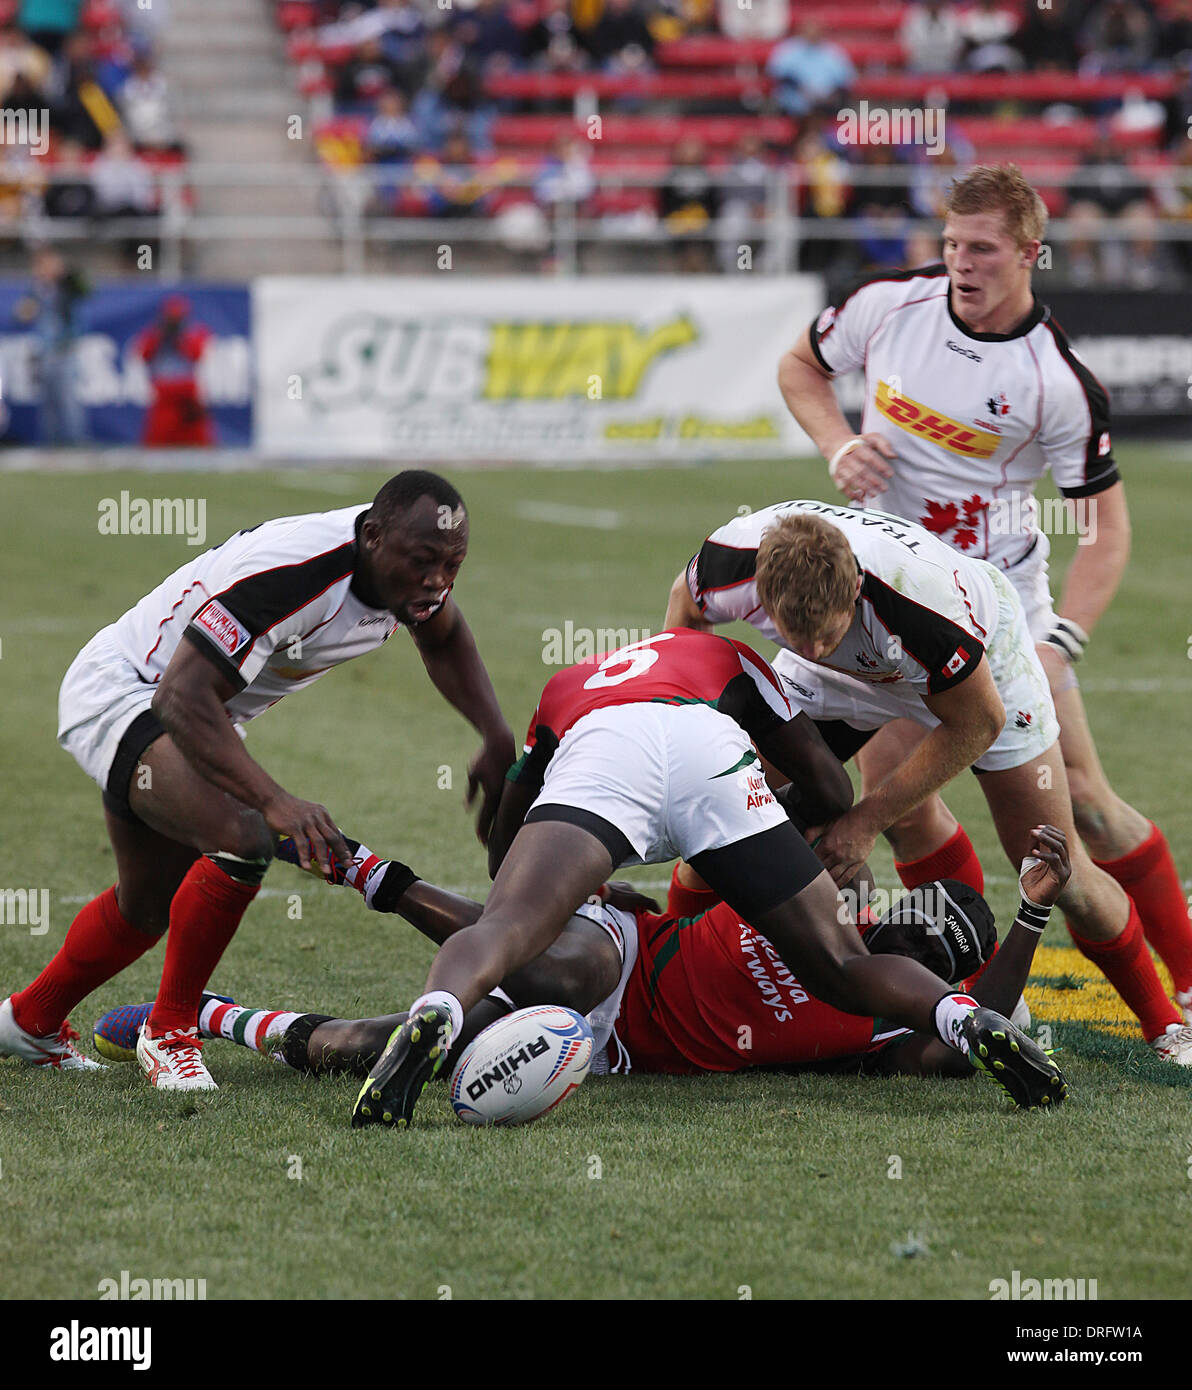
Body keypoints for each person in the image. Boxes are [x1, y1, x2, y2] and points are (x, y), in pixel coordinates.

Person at [774, 160, 1192, 1059]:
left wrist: (1060, 643)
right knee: (905, 798)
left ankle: (1184, 985)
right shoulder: (890, 305)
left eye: (983, 248)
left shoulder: (1057, 380)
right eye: (952, 243)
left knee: (1080, 811)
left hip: (997, 614)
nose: (961, 262)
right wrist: (837, 441)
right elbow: (802, 367)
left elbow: (1106, 530)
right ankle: (975, 987)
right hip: (884, 608)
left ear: (1030, 253)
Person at [346, 626, 1061, 1130]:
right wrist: (792, 828)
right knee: (843, 966)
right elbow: (826, 784)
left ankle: (435, 1005)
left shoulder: (569, 684)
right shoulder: (734, 659)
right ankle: (962, 1018)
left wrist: (557, 879)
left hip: (601, 751)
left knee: (508, 926)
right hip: (706, 761)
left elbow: (506, 849)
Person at [0, 472, 515, 1091]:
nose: (437, 580)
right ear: (373, 537)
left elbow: (446, 635)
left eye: (452, 564)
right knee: (243, 834)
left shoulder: (409, 568)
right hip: (129, 692)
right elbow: (180, 694)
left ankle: (28, 1021)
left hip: (193, 709)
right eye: (425, 561)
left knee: (145, 904)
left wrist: (494, 735)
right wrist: (274, 801)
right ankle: (169, 1033)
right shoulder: (300, 571)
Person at [666, 501, 1192, 1066]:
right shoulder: (733, 562)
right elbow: (683, 618)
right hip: (838, 679)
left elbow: (976, 722)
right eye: (798, 635)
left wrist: (865, 821)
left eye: (823, 634)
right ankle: (663, 962)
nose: (812, 649)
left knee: (1055, 866)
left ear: (854, 591)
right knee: (726, 803)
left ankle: (1165, 1023)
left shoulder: (918, 605)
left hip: (980, 669)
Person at [93, 826, 1072, 1101]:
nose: (889, 926)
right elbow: (707, 874)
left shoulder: (886, 1030)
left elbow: (967, 1042)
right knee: (561, 957)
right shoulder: (822, 912)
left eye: (912, 936)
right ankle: (370, 873)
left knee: (391, 1048)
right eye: (899, 917)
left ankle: (221, 1016)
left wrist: (1029, 913)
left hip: (600, 1055)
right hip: (619, 951)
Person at [13, 244, 87, 445]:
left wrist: (65, 274)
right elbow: (21, 315)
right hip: (45, 350)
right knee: (48, 402)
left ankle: (75, 442)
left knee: (69, 400)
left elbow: (85, 289)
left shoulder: (67, 286)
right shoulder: (37, 290)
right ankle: (51, 443)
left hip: (65, 349)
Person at [133, 295, 213, 446]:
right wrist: (160, 338)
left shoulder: (192, 333)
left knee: (197, 436)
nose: (174, 323)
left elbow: (197, 355)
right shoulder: (155, 335)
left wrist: (181, 339)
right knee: (159, 435)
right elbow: (143, 355)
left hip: (186, 390)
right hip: (164, 389)